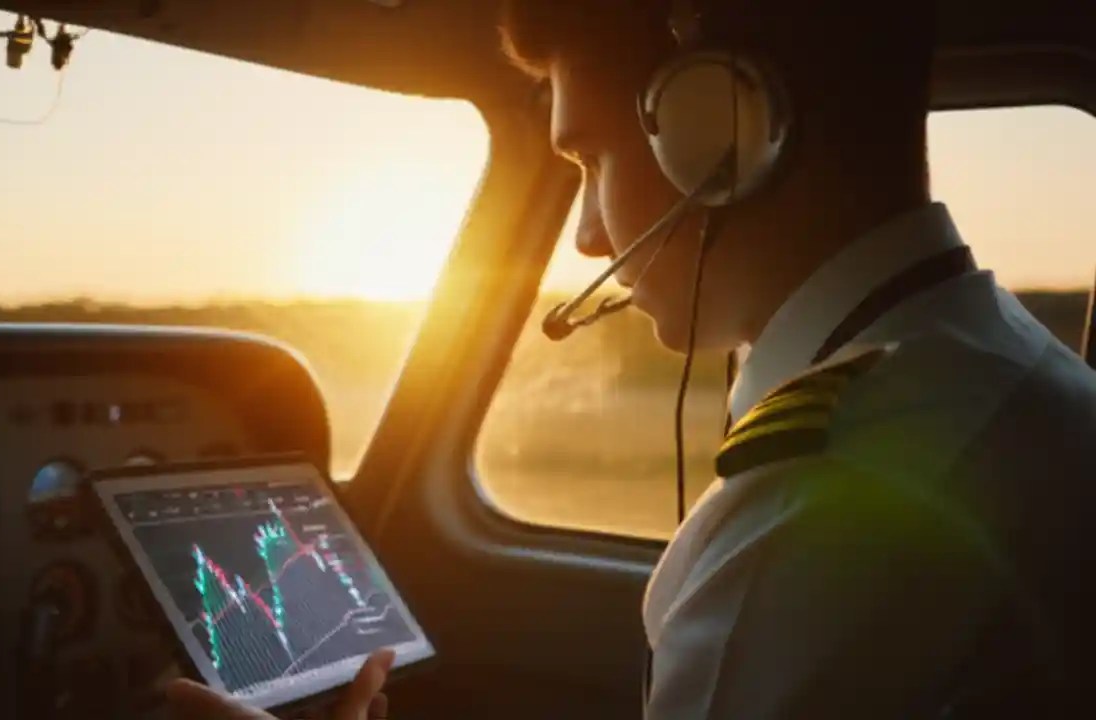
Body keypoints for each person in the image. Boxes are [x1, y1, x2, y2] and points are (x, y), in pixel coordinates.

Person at [170, 0, 1096, 717]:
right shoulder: (1000, 366)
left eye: (587, 159)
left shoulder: (815, 514)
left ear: (720, 136)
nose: (588, 234)